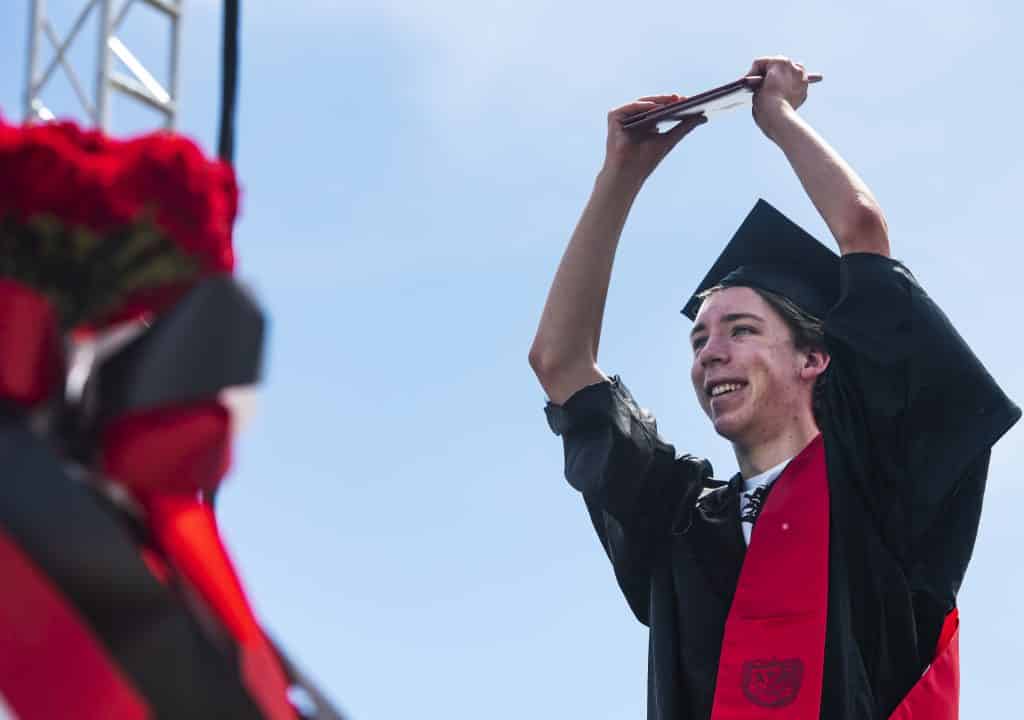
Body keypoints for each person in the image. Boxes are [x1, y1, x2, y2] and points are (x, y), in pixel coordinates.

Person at [528, 56, 1020, 720]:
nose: (711, 352)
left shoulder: (885, 484)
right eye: (699, 340)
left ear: (814, 357)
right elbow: (560, 364)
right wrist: (620, 174)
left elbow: (862, 234)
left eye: (741, 329)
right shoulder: (679, 520)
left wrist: (779, 117)